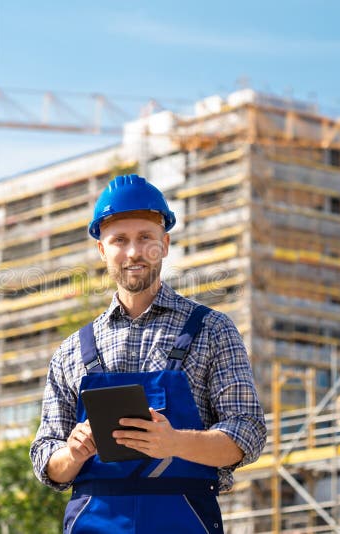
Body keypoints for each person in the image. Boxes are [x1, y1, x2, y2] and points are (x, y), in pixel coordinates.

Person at [30, 174, 267, 533]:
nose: (133, 252)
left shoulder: (213, 330)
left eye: (145, 238)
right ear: (101, 249)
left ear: (165, 244)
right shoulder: (71, 352)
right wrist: (73, 452)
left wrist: (174, 442)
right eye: (119, 240)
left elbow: (246, 433)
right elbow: (46, 459)